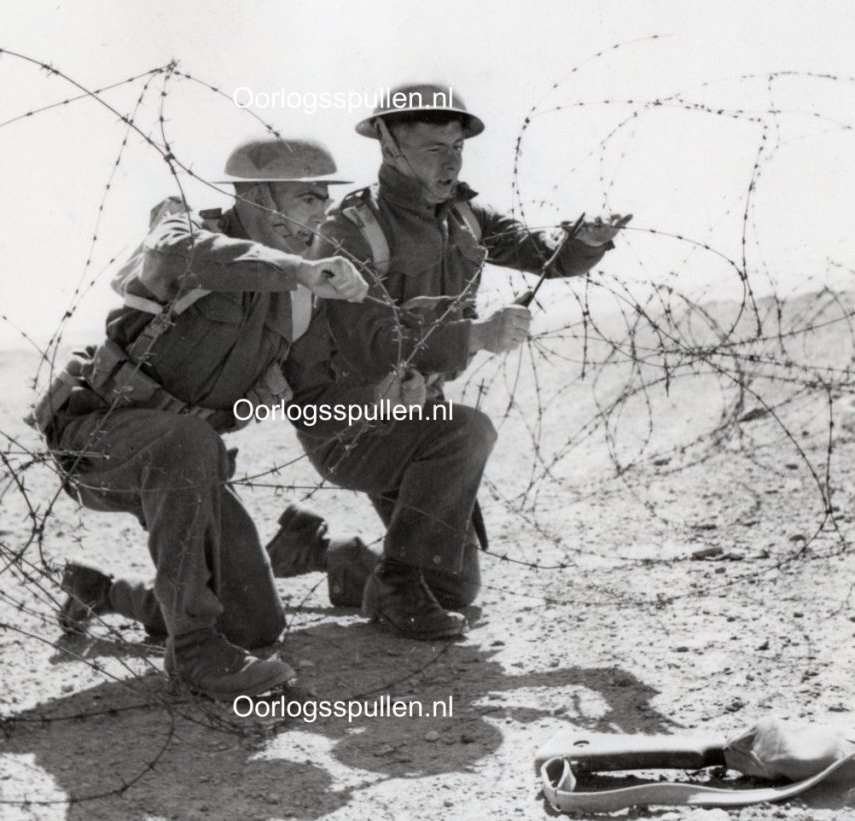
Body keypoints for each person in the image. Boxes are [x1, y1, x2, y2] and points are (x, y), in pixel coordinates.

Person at [280, 83, 629, 640]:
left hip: (415, 415)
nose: (450, 161)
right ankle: (396, 584)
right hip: (349, 420)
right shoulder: (348, 232)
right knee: (467, 431)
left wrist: (584, 241)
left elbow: (542, 253)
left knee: (455, 587)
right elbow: (374, 346)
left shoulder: (465, 218)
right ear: (390, 148)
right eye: (434, 150)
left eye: (456, 148)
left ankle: (326, 552)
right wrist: (476, 335)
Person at [31, 135, 368, 699]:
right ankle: (193, 652)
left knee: (257, 626)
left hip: (187, 464)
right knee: (186, 441)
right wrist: (296, 269)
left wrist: (385, 394)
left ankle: (105, 592)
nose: (321, 210)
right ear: (257, 197)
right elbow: (176, 253)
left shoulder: (301, 296)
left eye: (323, 198)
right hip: (98, 439)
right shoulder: (186, 232)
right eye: (305, 197)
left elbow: (314, 396)